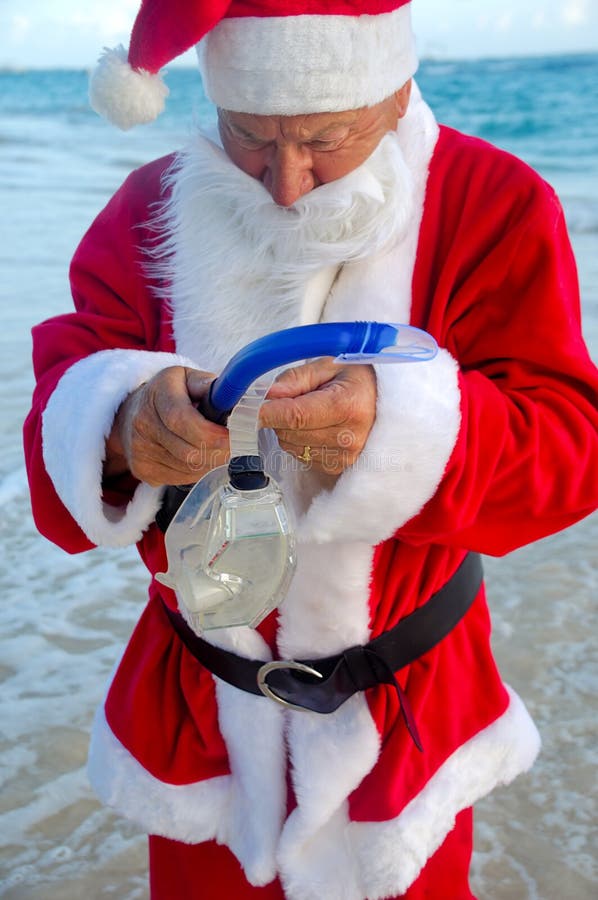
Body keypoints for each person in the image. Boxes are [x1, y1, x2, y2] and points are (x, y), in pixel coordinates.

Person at [23, 1, 598, 898]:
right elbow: (63, 398)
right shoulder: (145, 208)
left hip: (407, 711)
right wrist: (123, 425)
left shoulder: (494, 200)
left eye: (327, 139)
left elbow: (570, 450)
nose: (285, 184)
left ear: (396, 90)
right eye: (249, 136)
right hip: (201, 710)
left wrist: (404, 430)